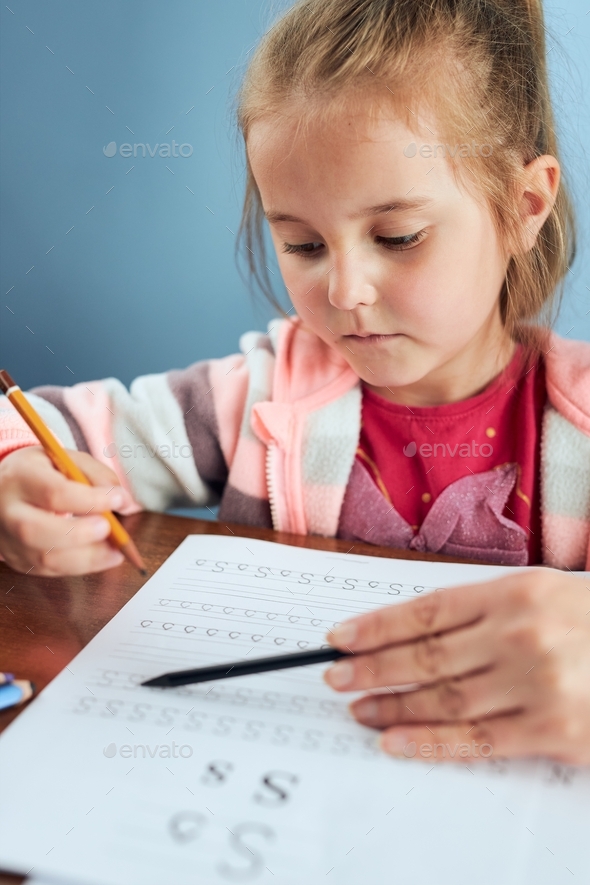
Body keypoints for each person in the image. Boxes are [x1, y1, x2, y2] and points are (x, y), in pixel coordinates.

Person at [0, 0, 589, 762]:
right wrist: (17, 475)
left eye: (397, 237)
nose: (344, 291)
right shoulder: (259, 395)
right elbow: (41, 431)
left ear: (524, 207)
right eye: (304, 243)